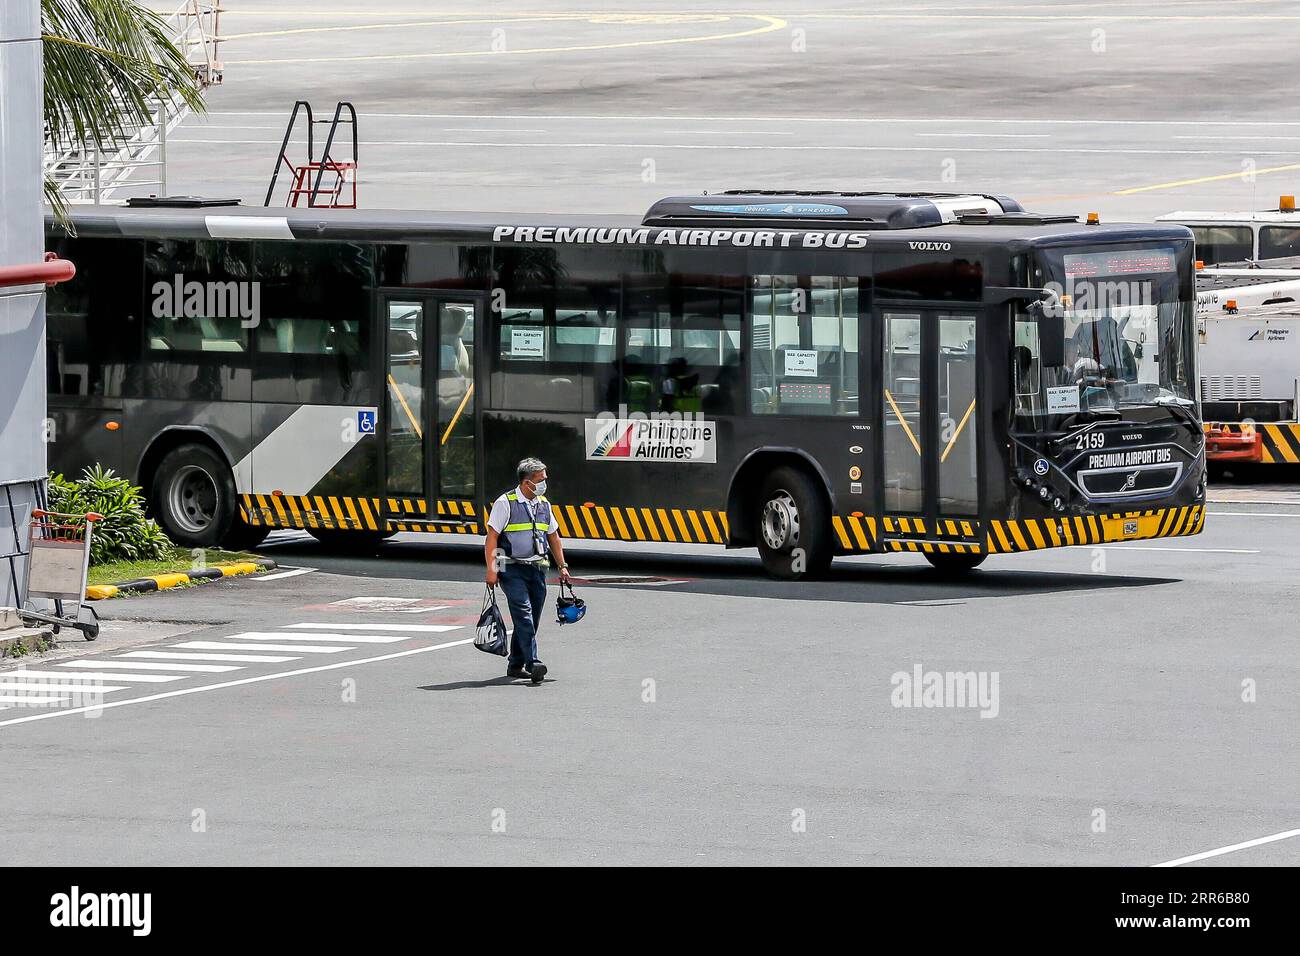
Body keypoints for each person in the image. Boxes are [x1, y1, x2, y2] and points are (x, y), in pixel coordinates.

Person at [484, 458, 570, 684]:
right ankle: (533, 662)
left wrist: (562, 566)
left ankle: (515, 664)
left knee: (533, 619)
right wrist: (492, 571)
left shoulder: (544, 504)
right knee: (524, 616)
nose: (544, 483)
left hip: (537, 568)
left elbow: (553, 536)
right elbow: (492, 537)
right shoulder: (505, 502)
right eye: (540, 480)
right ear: (526, 482)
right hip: (510, 568)